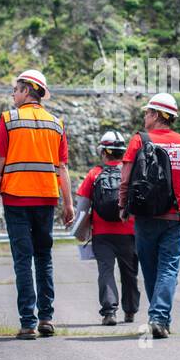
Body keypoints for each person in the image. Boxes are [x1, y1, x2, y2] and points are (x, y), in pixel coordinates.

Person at [0, 69, 74, 339]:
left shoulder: (9, 120)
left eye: (16, 89)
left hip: (16, 198)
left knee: (23, 259)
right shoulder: (56, 124)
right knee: (44, 257)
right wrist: (68, 204)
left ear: (26, 91)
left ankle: (28, 322)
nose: (13, 94)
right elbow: (63, 168)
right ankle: (46, 318)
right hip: (46, 198)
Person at [117, 93, 180, 339]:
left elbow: (125, 178)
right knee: (169, 267)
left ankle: (158, 317)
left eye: (147, 112)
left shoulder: (139, 141)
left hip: (145, 216)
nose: (145, 116)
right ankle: (159, 318)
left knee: (151, 267)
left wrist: (123, 206)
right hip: (176, 217)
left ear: (156, 115)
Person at [76, 130, 140, 325]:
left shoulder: (94, 174)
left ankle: (109, 312)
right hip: (129, 231)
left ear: (104, 152)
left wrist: (80, 230)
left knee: (106, 271)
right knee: (129, 272)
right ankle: (130, 311)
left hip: (102, 233)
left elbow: (82, 207)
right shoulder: (131, 172)